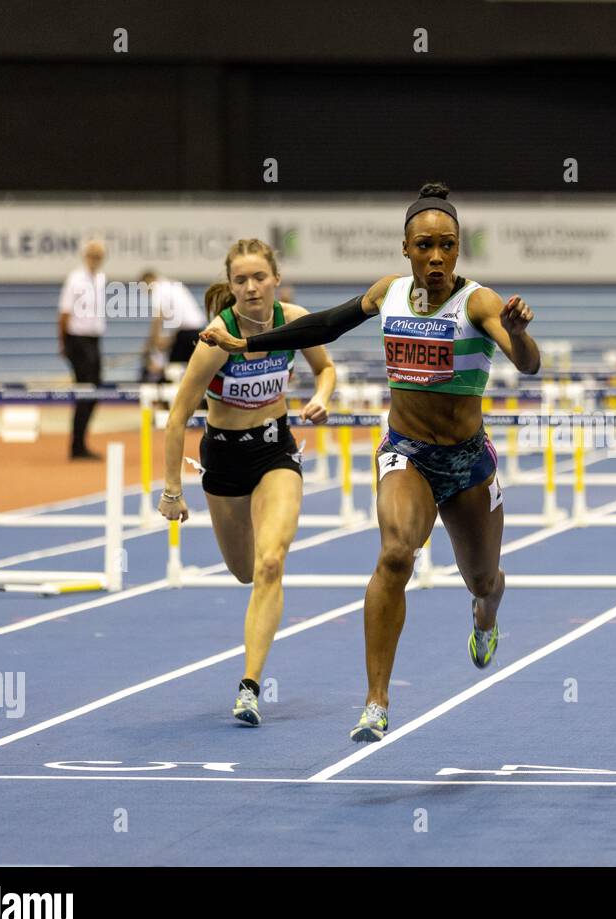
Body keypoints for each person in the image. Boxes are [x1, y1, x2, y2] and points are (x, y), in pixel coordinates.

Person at [200, 183, 541, 743]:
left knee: (482, 578)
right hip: (406, 453)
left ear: (459, 251)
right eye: (424, 245)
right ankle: (376, 703)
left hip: (467, 464)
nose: (436, 256)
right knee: (394, 555)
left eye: (447, 246)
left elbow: (527, 364)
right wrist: (250, 346)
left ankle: (485, 613)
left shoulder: (478, 302)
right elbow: (325, 325)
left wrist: (521, 336)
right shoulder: (390, 293)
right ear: (405, 249)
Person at [160, 238, 336, 726]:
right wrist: (171, 491)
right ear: (231, 284)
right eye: (241, 279)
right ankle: (251, 675)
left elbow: (325, 367)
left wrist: (322, 396)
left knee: (271, 563)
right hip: (223, 457)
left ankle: (250, 687)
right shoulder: (217, 338)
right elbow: (177, 418)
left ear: (275, 279)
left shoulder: (294, 320)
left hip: (275, 448)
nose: (251, 286)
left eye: (260, 277)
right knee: (243, 571)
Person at [58, 239, 107, 460]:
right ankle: (76, 446)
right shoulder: (75, 279)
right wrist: (63, 342)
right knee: (85, 391)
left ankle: (80, 442)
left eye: (100, 255)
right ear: (85, 255)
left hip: (94, 340)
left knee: (95, 392)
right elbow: (64, 313)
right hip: (77, 340)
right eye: (93, 255)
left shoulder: (100, 279)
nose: (96, 259)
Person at [138, 270, 206, 382]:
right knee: (192, 370)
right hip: (197, 332)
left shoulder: (157, 288)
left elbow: (158, 318)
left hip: (186, 334)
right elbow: (180, 318)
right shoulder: (173, 285)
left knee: (173, 371)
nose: (146, 292)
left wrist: (150, 344)